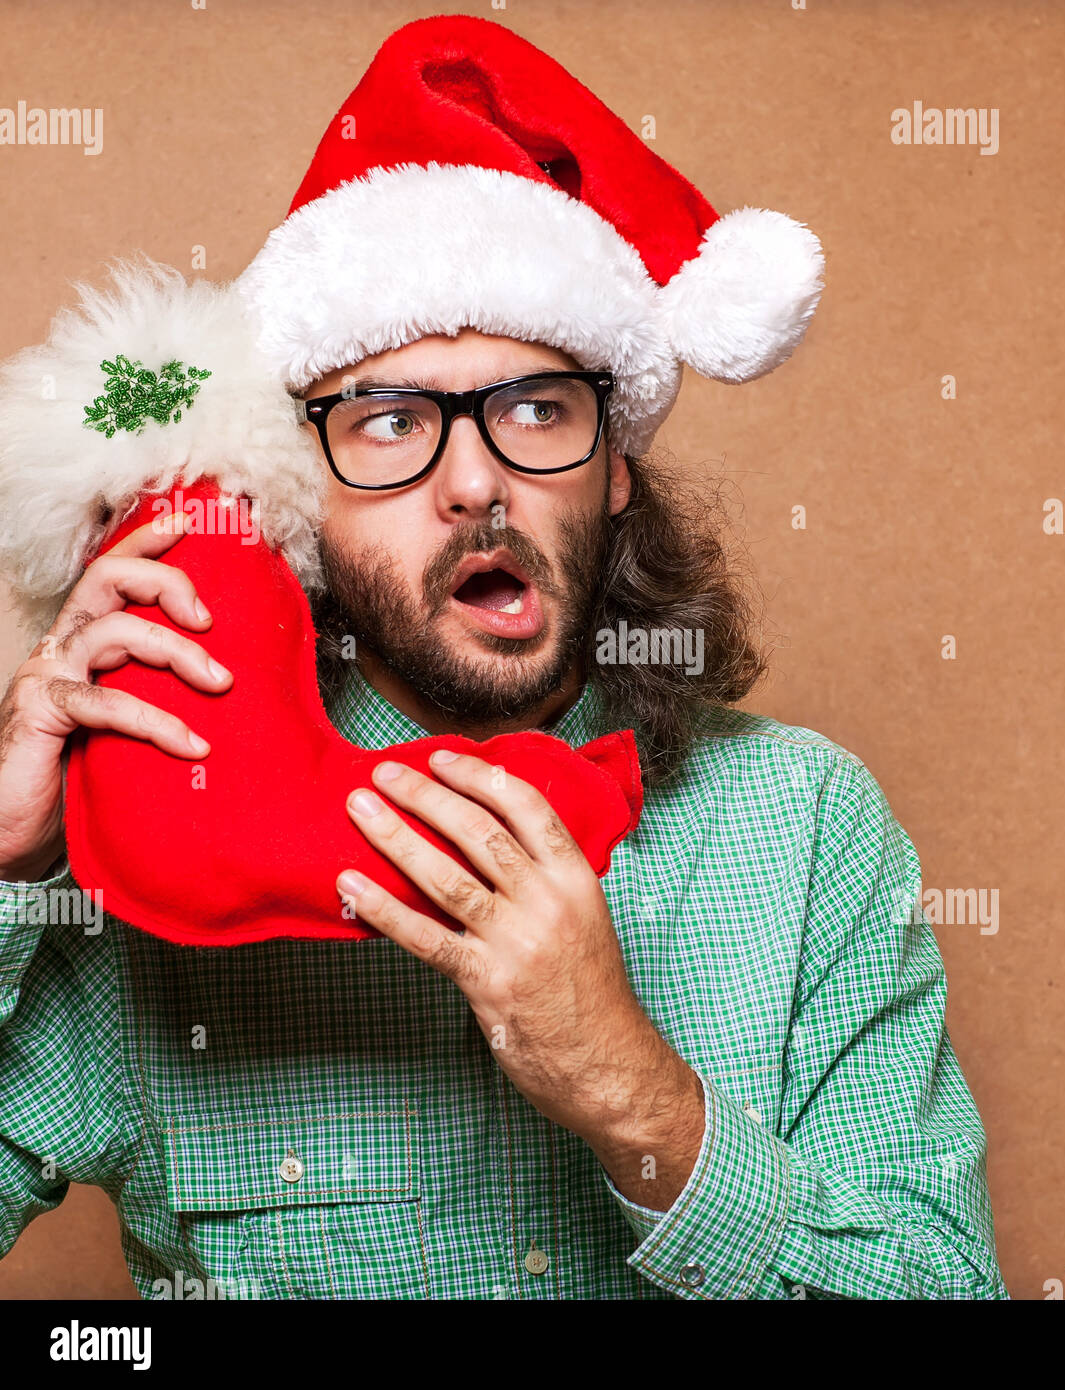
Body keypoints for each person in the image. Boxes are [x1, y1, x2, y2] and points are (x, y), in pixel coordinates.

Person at [0, 15, 1007, 1299]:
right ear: (299, 485)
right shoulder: (154, 827)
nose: (475, 482)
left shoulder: (802, 827)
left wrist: (636, 1101)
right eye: (388, 419)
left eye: (537, 407)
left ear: (616, 460)